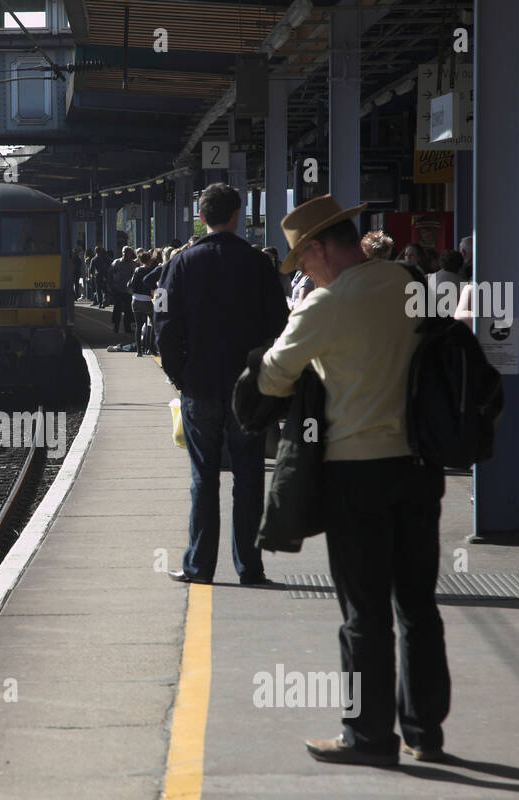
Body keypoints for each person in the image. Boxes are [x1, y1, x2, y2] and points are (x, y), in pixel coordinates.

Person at [258, 193, 448, 767]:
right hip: (419, 468)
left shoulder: (327, 304)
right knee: (417, 606)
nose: (305, 273)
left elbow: (271, 378)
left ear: (318, 249)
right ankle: (424, 733)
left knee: (363, 613)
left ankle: (368, 736)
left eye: (304, 262)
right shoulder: (409, 279)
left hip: (356, 474)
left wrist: (299, 328)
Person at [156, 183, 287, 586]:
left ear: (202, 216)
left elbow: (165, 326)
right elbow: (279, 326)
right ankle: (250, 567)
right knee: (249, 477)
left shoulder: (181, 264)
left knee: (203, 478)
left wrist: (181, 374)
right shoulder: (259, 265)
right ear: (237, 215)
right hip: (248, 389)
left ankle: (199, 567)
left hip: (200, 386)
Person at [129, 250, 162, 356]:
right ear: (150, 260)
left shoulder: (137, 270)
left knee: (138, 327)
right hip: (148, 300)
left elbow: (132, 285)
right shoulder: (152, 270)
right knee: (152, 324)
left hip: (136, 300)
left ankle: (139, 351)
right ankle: (150, 348)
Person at [109, 246, 137, 335]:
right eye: (124, 252)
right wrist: (111, 285)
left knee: (128, 310)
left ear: (130, 254)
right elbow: (109, 272)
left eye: (127, 252)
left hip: (128, 291)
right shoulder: (117, 262)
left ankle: (127, 328)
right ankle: (116, 326)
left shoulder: (133, 264)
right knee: (117, 309)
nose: (125, 253)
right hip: (118, 289)